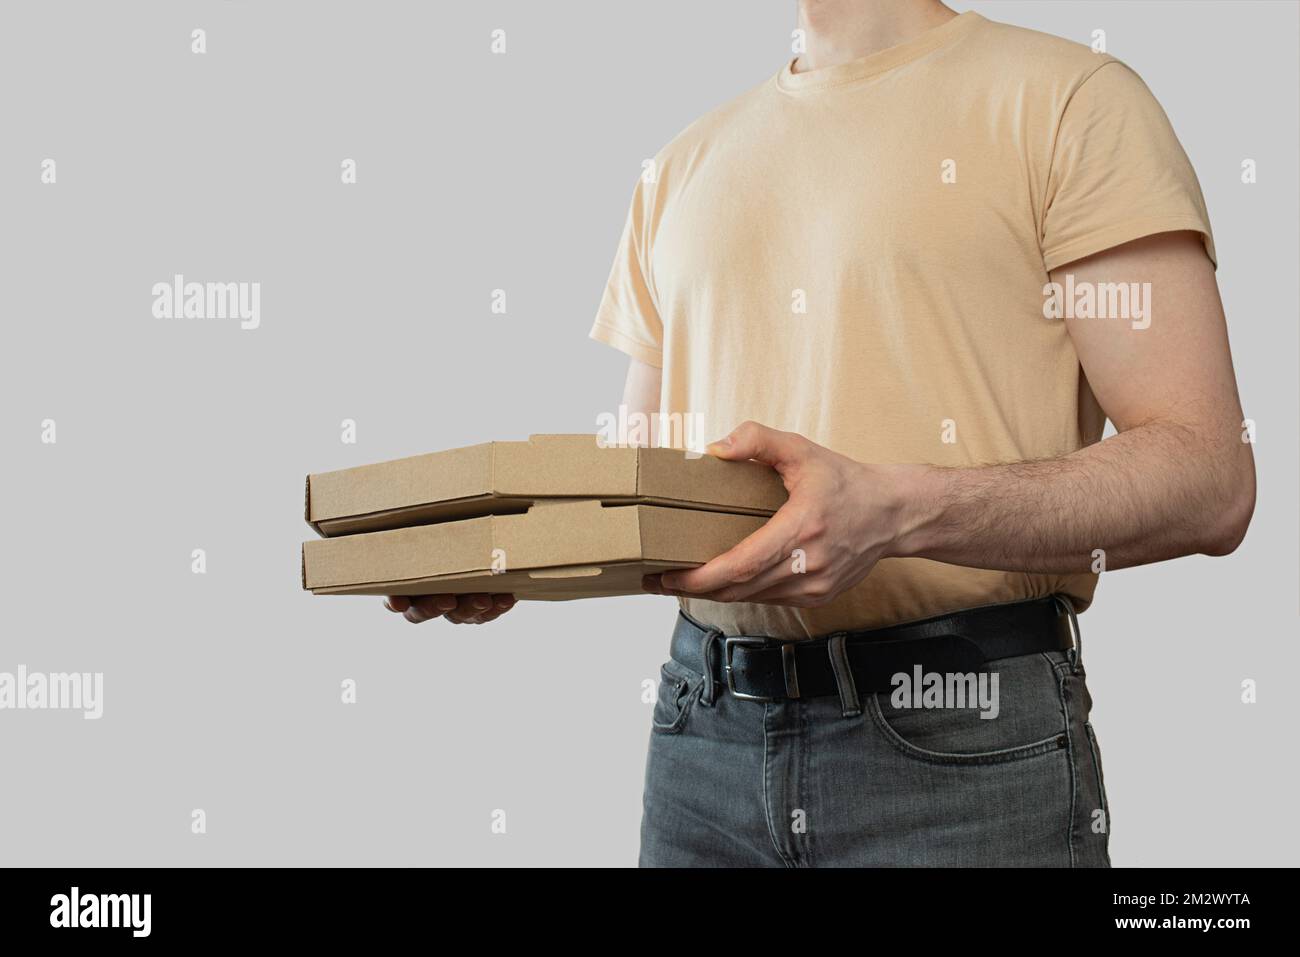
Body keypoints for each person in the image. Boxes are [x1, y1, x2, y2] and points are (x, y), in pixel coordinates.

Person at [386, 0, 1255, 867]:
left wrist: (900, 513)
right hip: (702, 741)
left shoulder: (1075, 102)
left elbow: (1209, 477)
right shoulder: (683, 164)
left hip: (962, 744)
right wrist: (510, 556)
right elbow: (641, 485)